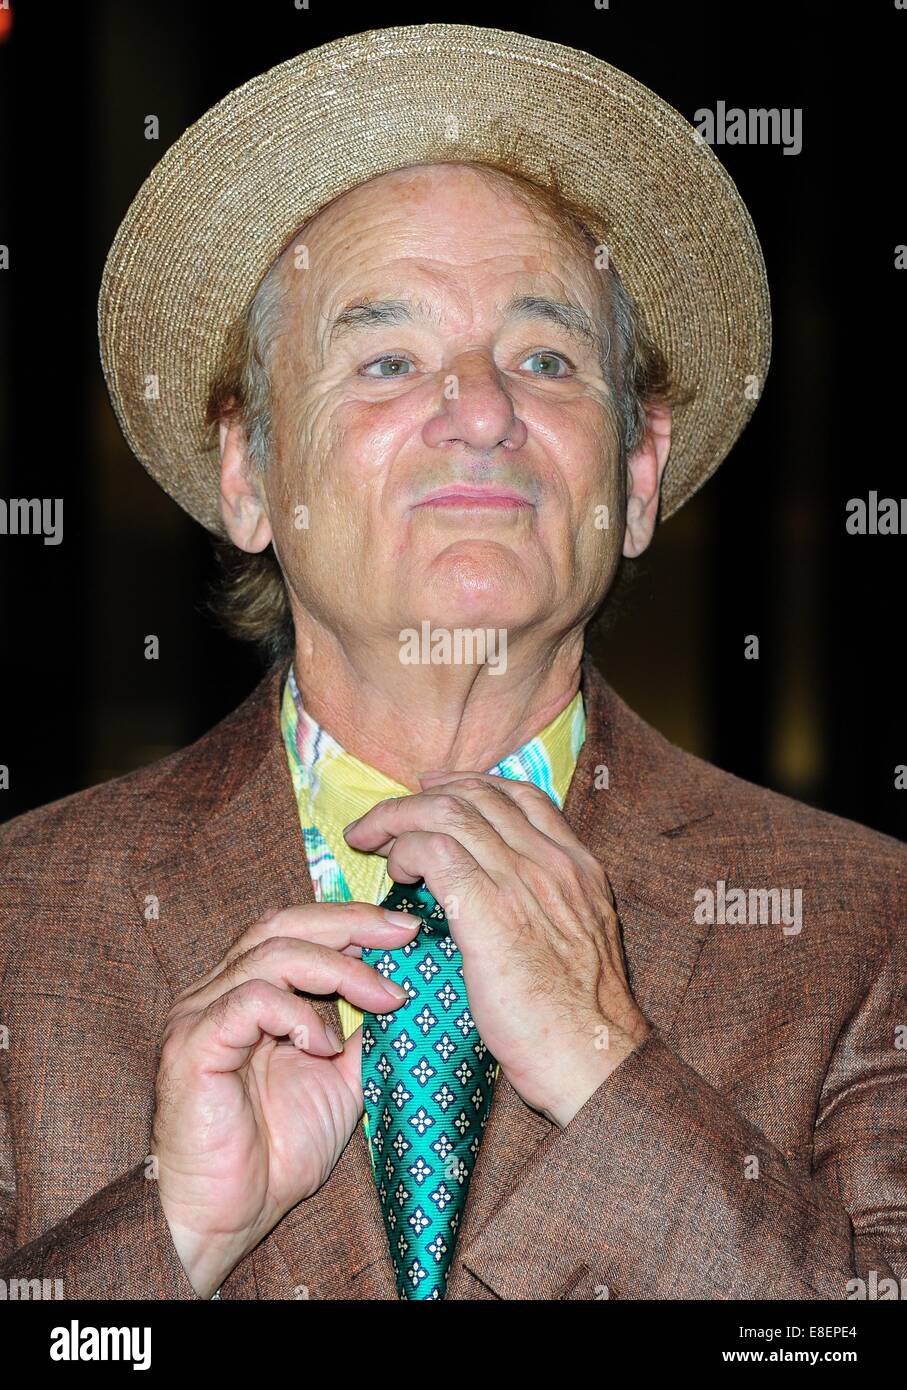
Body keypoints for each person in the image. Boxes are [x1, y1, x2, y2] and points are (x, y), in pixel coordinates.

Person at [0, 24, 903, 1301]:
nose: (481, 410)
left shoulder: (871, 924)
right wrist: (173, 1240)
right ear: (248, 472)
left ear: (636, 476)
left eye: (545, 359)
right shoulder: (16, 917)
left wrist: (613, 1076)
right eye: (386, 359)